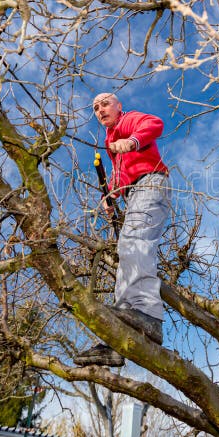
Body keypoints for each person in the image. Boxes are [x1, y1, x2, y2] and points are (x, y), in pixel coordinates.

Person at [73, 93, 170, 367]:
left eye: (105, 104)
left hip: (150, 183)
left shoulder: (127, 121)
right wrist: (110, 194)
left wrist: (132, 141)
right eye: (95, 108)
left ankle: (148, 315)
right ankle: (118, 339)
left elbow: (154, 124)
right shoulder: (110, 141)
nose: (100, 109)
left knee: (134, 242)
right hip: (135, 191)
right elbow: (120, 176)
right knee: (126, 250)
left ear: (118, 106)